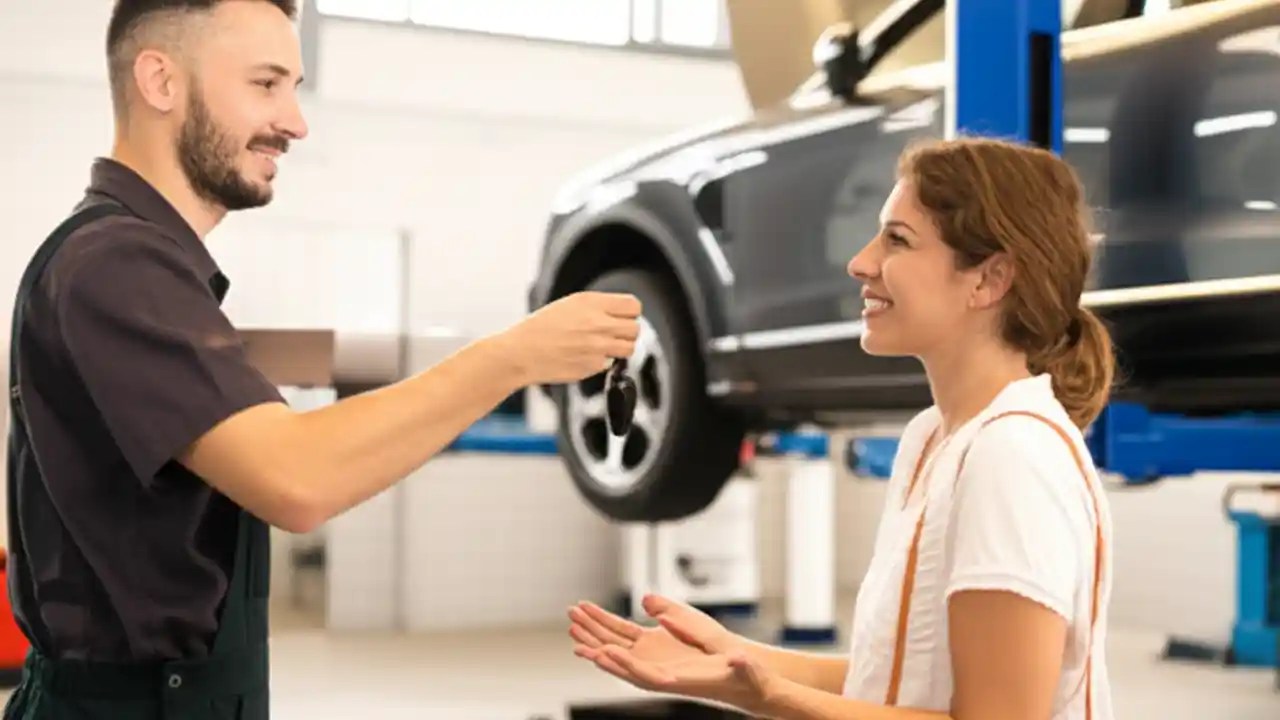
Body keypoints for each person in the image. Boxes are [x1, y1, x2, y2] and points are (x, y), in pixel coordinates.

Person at [4, 1, 640, 717]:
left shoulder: (138, 267)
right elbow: (296, 476)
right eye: (266, 84)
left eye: (294, 88)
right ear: (161, 80)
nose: (296, 122)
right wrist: (513, 357)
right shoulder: (116, 263)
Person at [568, 136, 1116, 720]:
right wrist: (738, 663)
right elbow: (896, 679)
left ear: (989, 279)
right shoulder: (934, 438)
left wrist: (773, 697)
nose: (861, 262)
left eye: (897, 240)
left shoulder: (1013, 455)